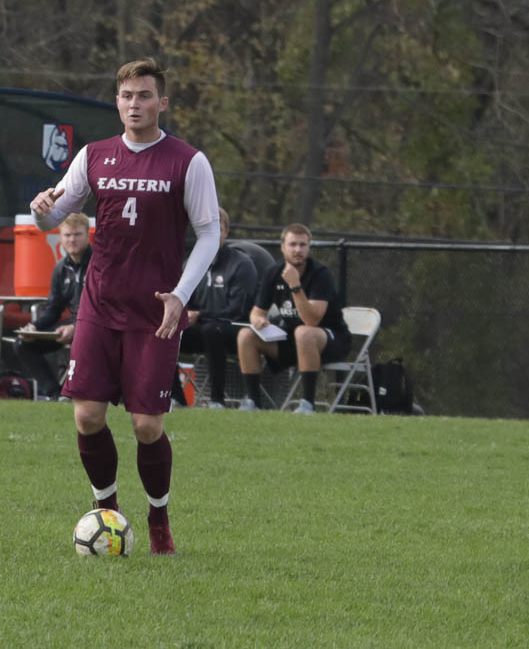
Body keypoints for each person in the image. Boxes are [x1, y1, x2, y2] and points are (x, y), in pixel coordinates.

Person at [29, 58, 221, 555]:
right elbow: (55, 220)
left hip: (155, 311)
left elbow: (209, 232)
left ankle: (159, 519)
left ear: (163, 102)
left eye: (144, 95)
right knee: (88, 415)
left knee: (146, 425)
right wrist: (41, 213)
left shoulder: (187, 161)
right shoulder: (94, 155)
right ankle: (106, 512)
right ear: (117, 102)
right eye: (126, 96)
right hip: (99, 303)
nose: (134, 104)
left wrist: (181, 294)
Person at [236, 223, 350, 413]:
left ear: (309, 247)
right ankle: (253, 403)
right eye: (293, 244)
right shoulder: (273, 272)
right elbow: (257, 312)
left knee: (304, 332)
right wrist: (258, 321)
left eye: (303, 245)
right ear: (283, 247)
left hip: (330, 339)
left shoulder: (321, 274)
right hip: (293, 340)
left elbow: (312, 320)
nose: (298, 250)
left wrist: (295, 286)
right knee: (246, 335)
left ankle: (307, 404)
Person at [170, 207, 257, 409]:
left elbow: (238, 309)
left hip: (233, 327)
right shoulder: (191, 263)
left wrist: (200, 315)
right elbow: (183, 299)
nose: (210, 233)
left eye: (216, 228)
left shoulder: (241, 264)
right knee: (168, 330)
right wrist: (185, 314)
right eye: (205, 228)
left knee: (212, 330)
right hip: (201, 327)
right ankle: (175, 396)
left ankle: (217, 400)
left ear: (225, 231)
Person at [13, 212, 92, 400]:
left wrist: (76, 327)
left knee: (85, 338)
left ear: (88, 236)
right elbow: (54, 309)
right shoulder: (60, 269)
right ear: (60, 237)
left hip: (97, 326)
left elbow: (106, 308)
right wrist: (35, 327)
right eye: (67, 235)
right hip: (71, 326)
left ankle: (79, 392)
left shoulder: (99, 265)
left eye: (77, 234)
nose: (72, 240)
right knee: (23, 344)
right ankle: (55, 394)